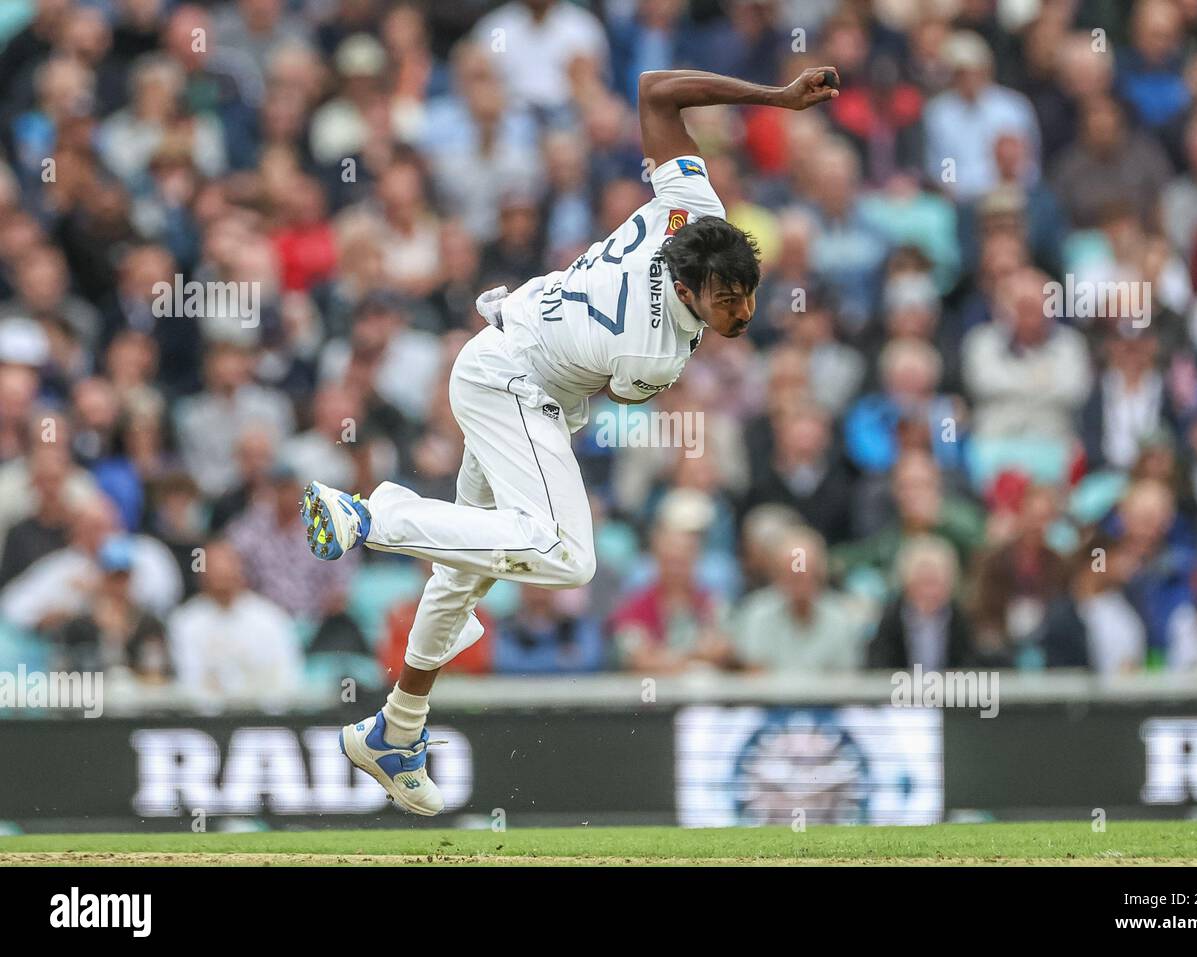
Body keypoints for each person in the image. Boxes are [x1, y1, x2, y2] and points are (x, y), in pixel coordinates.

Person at [300, 65, 843, 815]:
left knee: (464, 572)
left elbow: (655, 88)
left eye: (748, 291)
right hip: (513, 385)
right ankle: (371, 517)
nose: (744, 310)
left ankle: (396, 729)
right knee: (567, 555)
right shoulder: (656, 353)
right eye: (727, 300)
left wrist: (775, 97)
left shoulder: (690, 210)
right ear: (688, 292)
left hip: (504, 363)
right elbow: (617, 392)